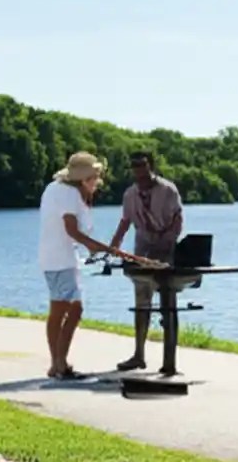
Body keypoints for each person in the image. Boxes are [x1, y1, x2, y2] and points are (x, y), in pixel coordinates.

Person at [38, 152, 112, 379]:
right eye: (93, 178)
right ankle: (59, 364)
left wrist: (89, 246)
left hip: (54, 258)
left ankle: (57, 363)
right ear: (83, 179)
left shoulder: (55, 188)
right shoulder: (70, 194)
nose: (96, 182)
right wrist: (94, 246)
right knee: (66, 310)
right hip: (61, 260)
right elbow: (71, 228)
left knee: (64, 309)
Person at [108, 151, 184, 371]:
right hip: (142, 249)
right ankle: (139, 355)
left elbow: (178, 220)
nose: (139, 172)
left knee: (168, 303)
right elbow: (125, 221)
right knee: (142, 302)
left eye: (142, 166)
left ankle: (169, 362)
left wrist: (167, 242)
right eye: (134, 167)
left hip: (166, 249)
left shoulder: (168, 190)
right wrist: (113, 246)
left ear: (151, 166)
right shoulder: (130, 195)